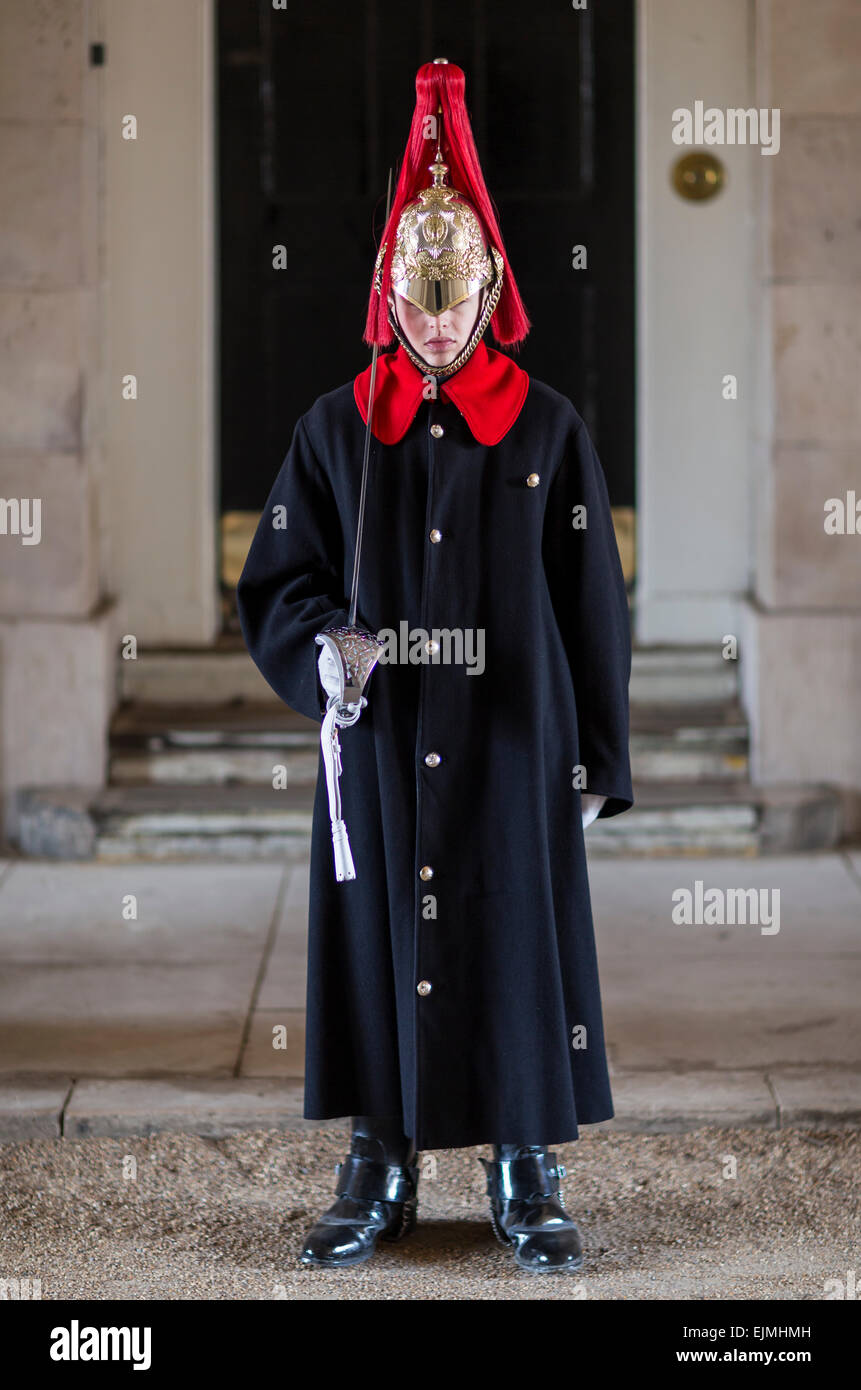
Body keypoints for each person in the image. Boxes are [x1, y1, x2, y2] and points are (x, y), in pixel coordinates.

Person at [237, 58, 633, 1274]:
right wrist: (324, 657)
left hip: (517, 735)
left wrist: (598, 752)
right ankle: (380, 1159)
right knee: (377, 942)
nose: (439, 325)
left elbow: (591, 600)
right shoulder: (332, 429)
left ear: (493, 289)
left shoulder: (552, 428)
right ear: (388, 293)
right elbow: (278, 579)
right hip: (383, 733)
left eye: (457, 303)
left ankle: (528, 1165)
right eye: (420, 304)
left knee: (517, 934)